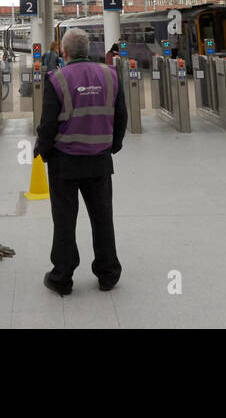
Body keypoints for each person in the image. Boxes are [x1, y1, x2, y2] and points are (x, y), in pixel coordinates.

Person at [37, 27, 127, 296]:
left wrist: (44, 151)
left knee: (64, 220)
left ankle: (62, 277)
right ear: (88, 51)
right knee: (102, 218)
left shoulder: (56, 79)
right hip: (99, 160)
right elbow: (121, 115)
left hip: (65, 162)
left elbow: (48, 123)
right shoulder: (111, 75)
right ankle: (108, 273)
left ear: (63, 53)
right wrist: (114, 145)